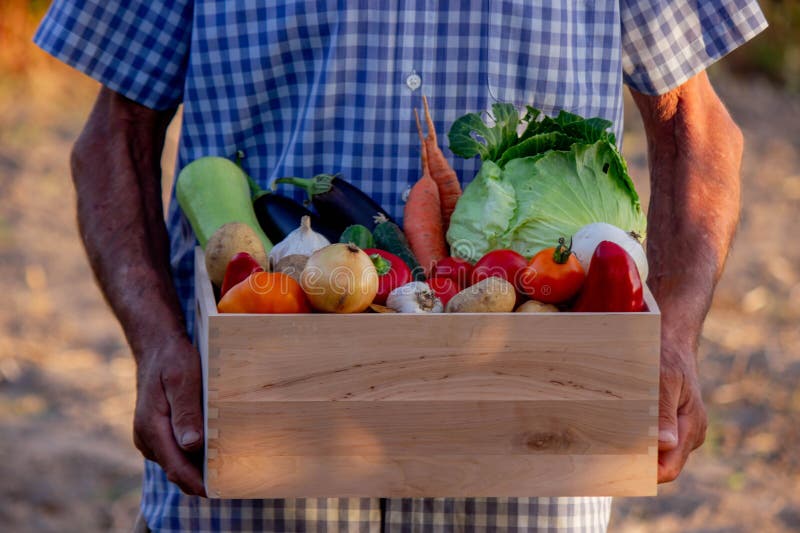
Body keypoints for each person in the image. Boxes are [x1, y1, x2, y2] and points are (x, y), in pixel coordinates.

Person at [34, 1, 766, 531]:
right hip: (256, 472)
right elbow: (110, 142)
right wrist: (157, 340)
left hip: (530, 469)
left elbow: (697, 132)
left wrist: (671, 340)